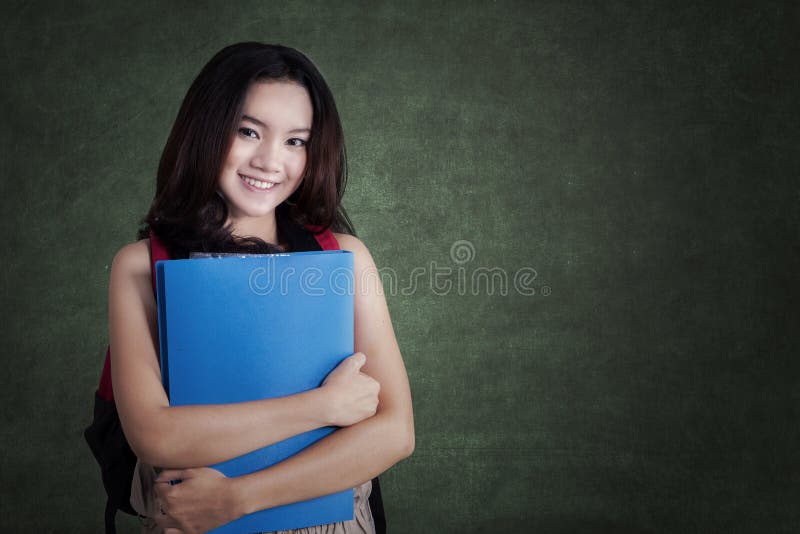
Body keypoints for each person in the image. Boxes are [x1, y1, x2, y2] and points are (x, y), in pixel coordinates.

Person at [108, 42, 415, 534]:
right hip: (191, 523)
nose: (271, 160)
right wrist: (321, 407)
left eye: (296, 141)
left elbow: (396, 432)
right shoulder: (141, 267)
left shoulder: (343, 258)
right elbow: (156, 436)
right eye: (249, 131)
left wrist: (237, 498)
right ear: (206, 130)